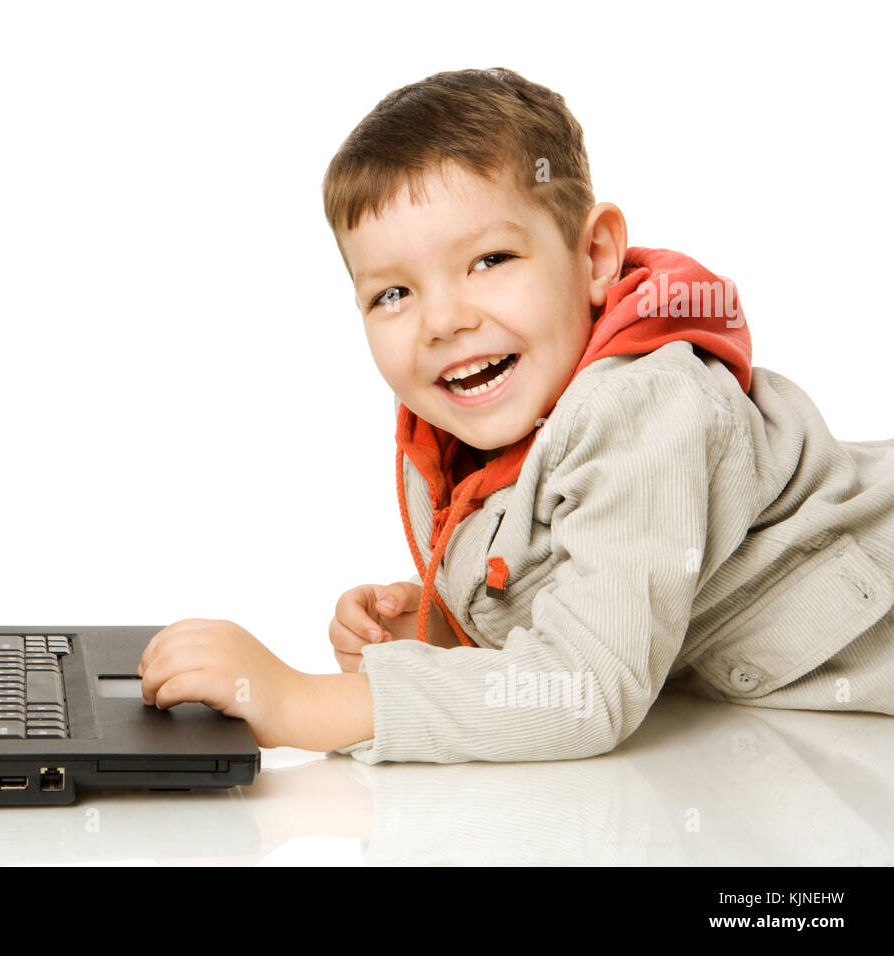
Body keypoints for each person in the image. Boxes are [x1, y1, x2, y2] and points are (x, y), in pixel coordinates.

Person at [137, 67, 894, 762]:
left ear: (595, 255)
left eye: (489, 261)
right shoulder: (463, 437)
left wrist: (310, 704)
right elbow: (583, 584)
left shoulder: (644, 406)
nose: (441, 320)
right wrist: (446, 624)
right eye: (392, 294)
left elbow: (584, 689)